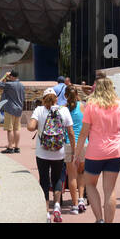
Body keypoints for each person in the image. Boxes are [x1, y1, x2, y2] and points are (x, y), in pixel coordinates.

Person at [74, 75, 120, 223]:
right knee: (110, 189)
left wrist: (77, 153)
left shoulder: (91, 106)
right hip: (115, 151)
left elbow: (83, 133)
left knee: (90, 184)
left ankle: (99, 218)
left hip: (95, 152)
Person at [27, 88, 75, 222]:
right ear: (56, 99)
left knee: (44, 180)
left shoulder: (39, 110)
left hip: (42, 152)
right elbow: (70, 132)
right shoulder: (63, 110)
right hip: (59, 152)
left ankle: (46, 212)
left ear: (44, 99)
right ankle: (57, 207)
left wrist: (38, 125)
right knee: (57, 179)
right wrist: (72, 149)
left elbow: (30, 127)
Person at [63, 85, 86, 214]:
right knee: (81, 173)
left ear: (65, 95)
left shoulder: (64, 109)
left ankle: (75, 205)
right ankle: (82, 199)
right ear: (77, 94)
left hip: (69, 144)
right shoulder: (83, 106)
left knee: (72, 176)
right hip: (84, 143)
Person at [0, 70, 27, 153]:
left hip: (10, 109)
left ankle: (10, 147)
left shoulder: (9, 84)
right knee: (17, 129)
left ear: (12, 77)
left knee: (9, 129)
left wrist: (4, 76)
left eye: (10, 76)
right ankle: (17, 147)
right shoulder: (21, 85)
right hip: (19, 109)